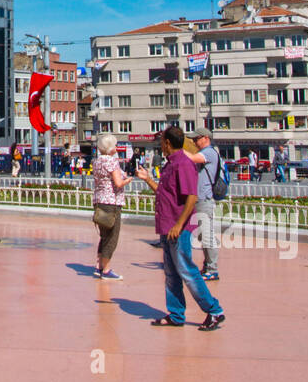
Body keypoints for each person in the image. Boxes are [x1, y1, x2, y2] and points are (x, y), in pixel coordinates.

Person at [138, 126, 224, 330]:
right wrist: (148, 179)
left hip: (178, 228)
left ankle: (214, 310)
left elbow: (191, 197)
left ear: (168, 143)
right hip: (167, 226)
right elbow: (164, 193)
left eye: (162, 142)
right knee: (171, 273)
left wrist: (178, 224)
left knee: (187, 270)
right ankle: (176, 314)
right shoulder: (170, 165)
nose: (161, 146)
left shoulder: (184, 164)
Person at [90, 133, 131, 279]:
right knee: (112, 236)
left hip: (99, 200)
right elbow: (118, 183)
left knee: (104, 235)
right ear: (110, 148)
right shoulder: (112, 162)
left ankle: (99, 265)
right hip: (111, 202)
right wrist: (128, 180)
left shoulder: (97, 161)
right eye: (114, 145)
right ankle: (106, 270)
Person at [185, 126, 221, 280]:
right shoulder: (202, 152)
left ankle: (212, 269)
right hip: (198, 199)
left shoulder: (210, 152)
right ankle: (207, 266)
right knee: (202, 235)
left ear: (206, 138)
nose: (194, 142)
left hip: (204, 199)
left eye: (196, 139)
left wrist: (178, 148)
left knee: (207, 234)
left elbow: (192, 159)